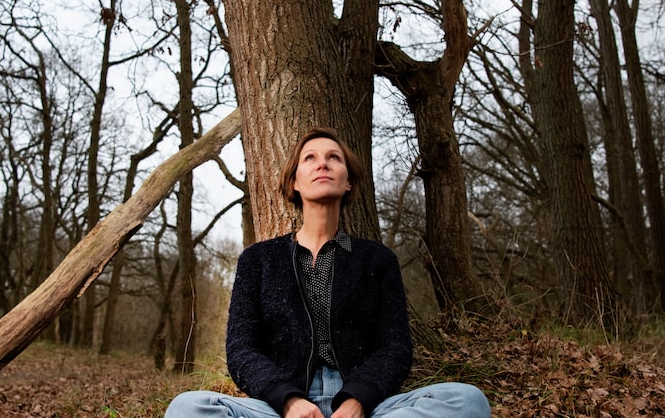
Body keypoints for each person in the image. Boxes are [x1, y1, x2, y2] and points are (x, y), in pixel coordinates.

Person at [165, 127, 491, 418]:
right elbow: (241, 350)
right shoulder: (258, 260)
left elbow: (395, 348)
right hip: (279, 408)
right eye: (310, 158)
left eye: (334, 157)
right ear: (294, 182)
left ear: (348, 182)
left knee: (467, 401)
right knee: (187, 408)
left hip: (367, 408)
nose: (322, 164)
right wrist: (289, 400)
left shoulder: (377, 260)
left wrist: (357, 400)